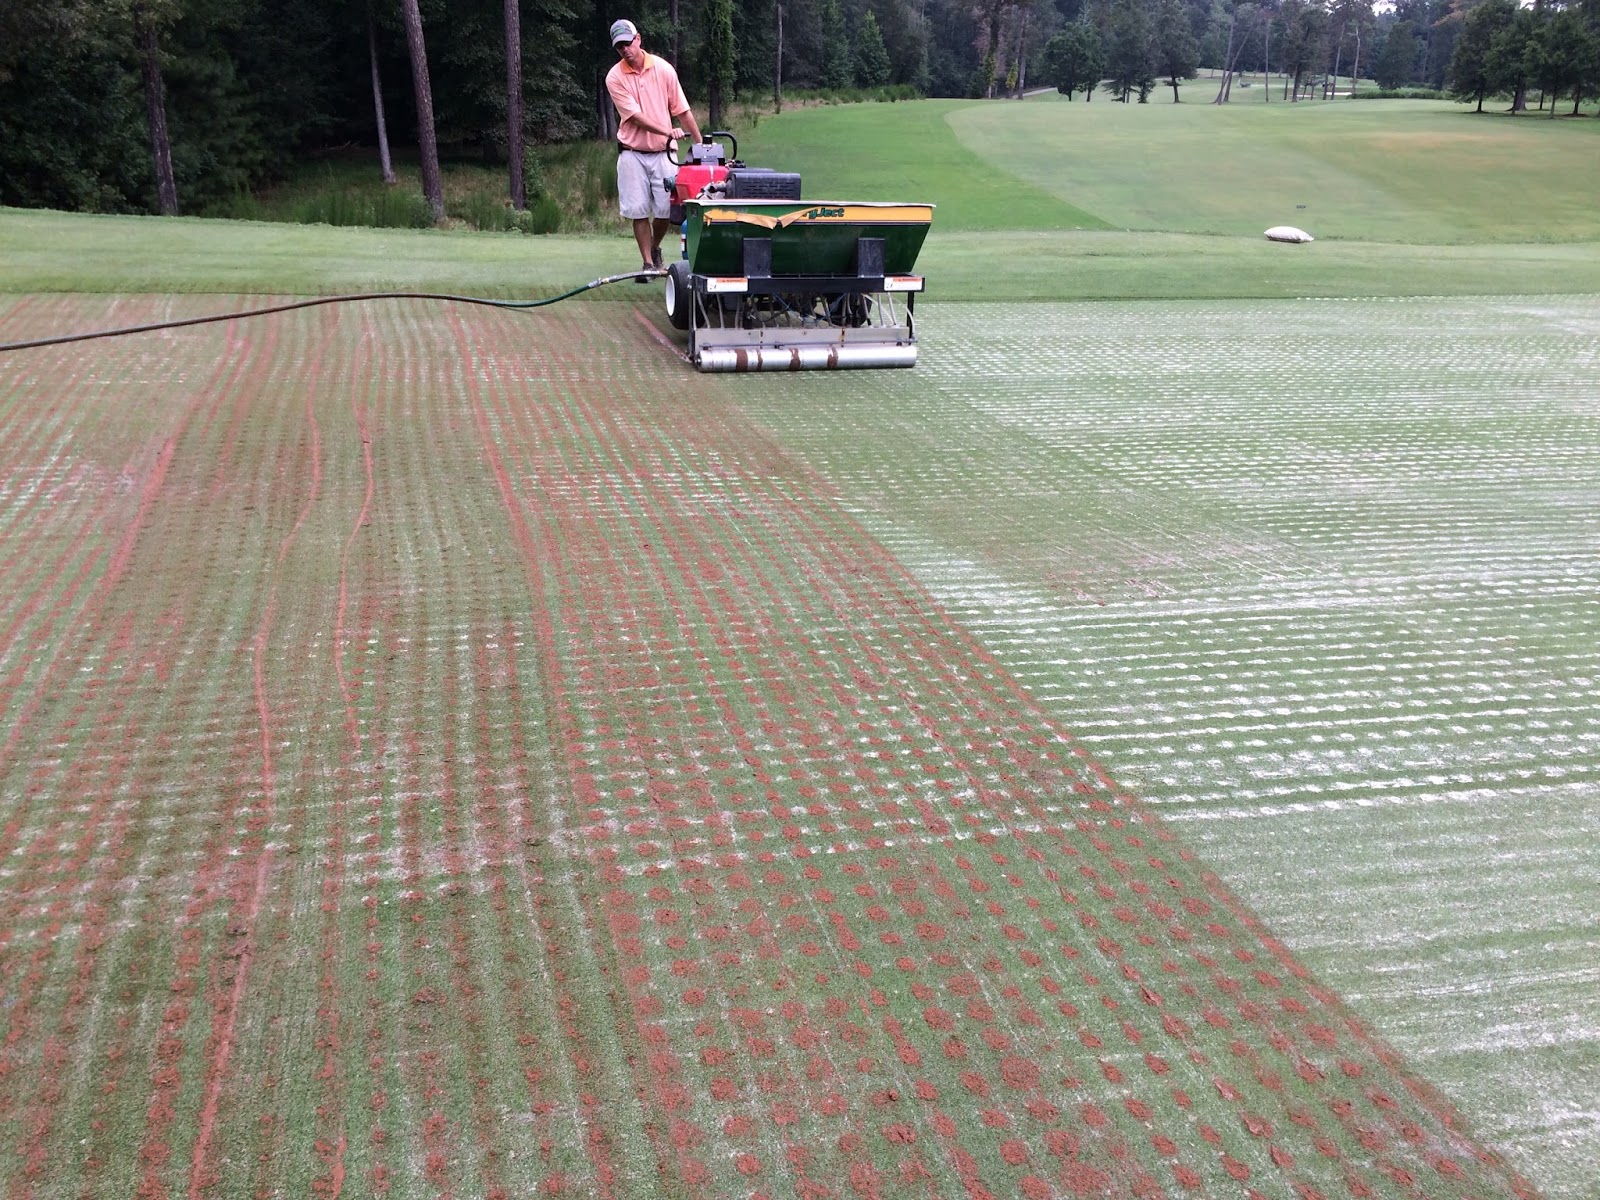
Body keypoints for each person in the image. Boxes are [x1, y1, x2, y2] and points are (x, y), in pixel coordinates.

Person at [604, 18, 702, 278]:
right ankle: (647, 263)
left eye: (628, 43)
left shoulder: (663, 69)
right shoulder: (614, 77)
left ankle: (655, 248)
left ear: (638, 39)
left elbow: (682, 109)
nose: (625, 50)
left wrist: (700, 144)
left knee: (664, 211)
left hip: (663, 153)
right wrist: (666, 130)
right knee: (638, 210)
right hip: (632, 152)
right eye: (619, 47)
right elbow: (634, 116)